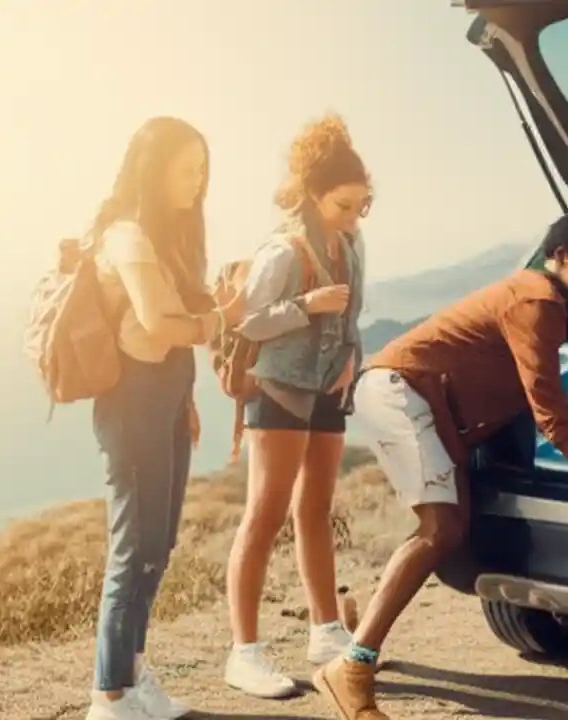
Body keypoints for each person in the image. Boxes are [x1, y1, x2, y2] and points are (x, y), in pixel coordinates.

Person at [312, 211, 568, 720]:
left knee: (446, 529)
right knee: (440, 530)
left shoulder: (542, 300)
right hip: (402, 392)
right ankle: (352, 668)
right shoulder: (538, 300)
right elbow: (548, 405)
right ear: (560, 255)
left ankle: (356, 633)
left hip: (422, 404)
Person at [86, 117, 244, 720]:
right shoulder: (127, 236)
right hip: (131, 407)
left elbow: (173, 339)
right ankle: (109, 695)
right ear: (153, 172)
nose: (197, 183)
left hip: (167, 400)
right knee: (133, 547)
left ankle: (131, 673)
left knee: (160, 542)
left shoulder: (168, 238)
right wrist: (221, 319)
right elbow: (158, 326)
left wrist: (187, 399)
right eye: (186, 170)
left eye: (203, 171)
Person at [222, 114, 369, 699]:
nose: (354, 217)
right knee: (264, 513)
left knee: (316, 508)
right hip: (280, 388)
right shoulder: (282, 249)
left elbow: (353, 311)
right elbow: (244, 322)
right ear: (313, 194)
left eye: (363, 205)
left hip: (331, 386)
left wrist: (353, 355)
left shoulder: (352, 242)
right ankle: (245, 653)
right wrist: (306, 305)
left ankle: (326, 632)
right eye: (343, 205)